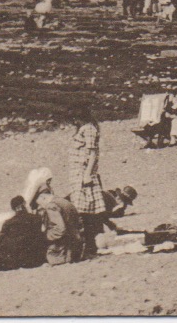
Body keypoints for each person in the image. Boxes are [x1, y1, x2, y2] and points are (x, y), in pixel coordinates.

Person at [68, 107, 105, 259]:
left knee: (85, 209)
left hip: (83, 173)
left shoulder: (88, 129)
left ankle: (88, 245)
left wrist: (88, 174)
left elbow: (92, 153)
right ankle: (87, 245)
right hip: (77, 173)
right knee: (82, 209)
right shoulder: (83, 129)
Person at [37, 191, 84, 266]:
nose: (41, 207)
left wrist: (45, 235)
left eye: (39, 204)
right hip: (76, 246)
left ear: (43, 197)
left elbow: (60, 230)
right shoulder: (63, 201)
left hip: (64, 251)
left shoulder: (51, 206)